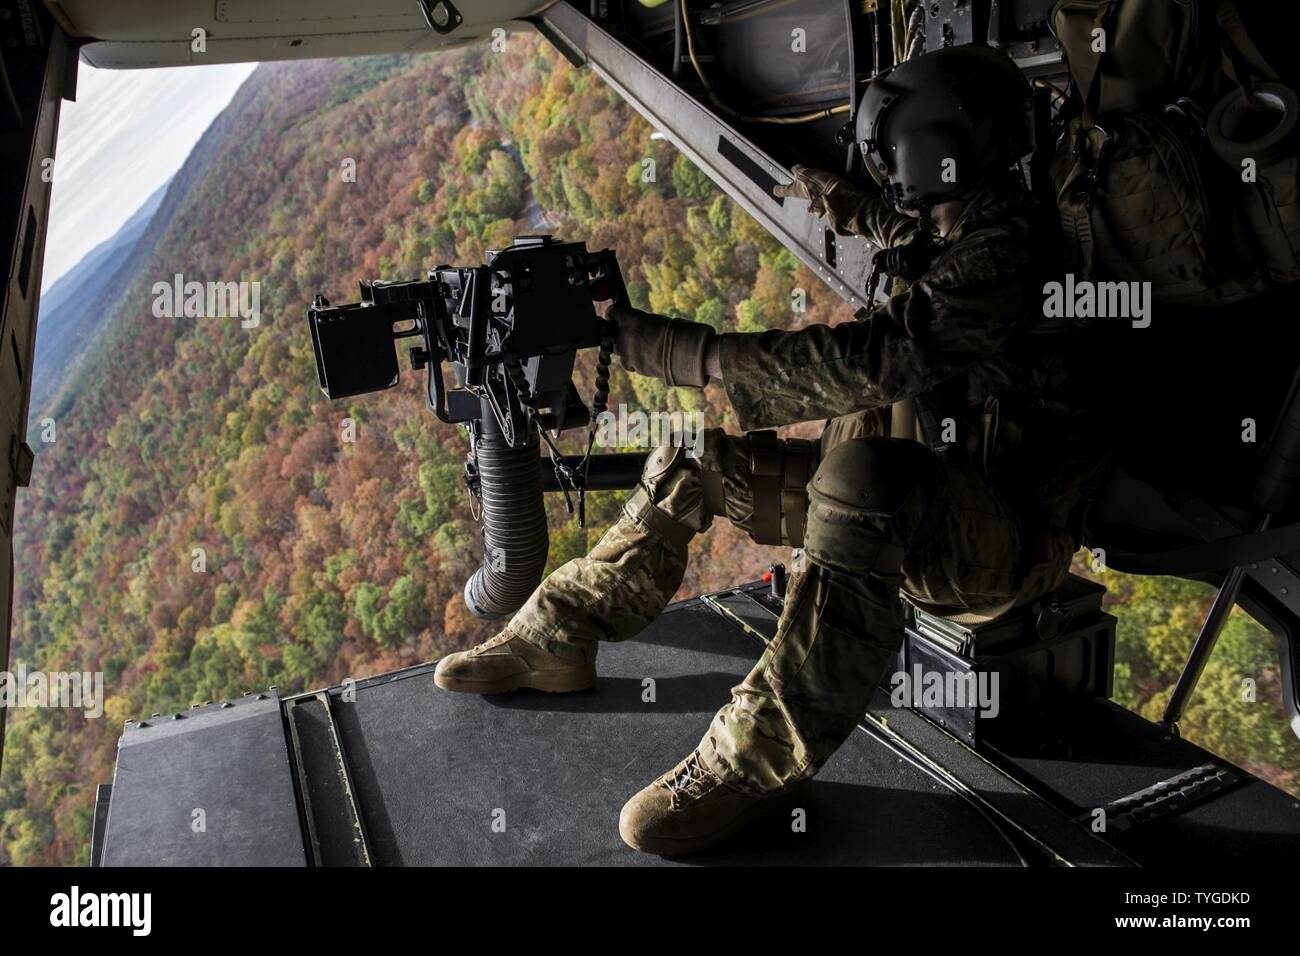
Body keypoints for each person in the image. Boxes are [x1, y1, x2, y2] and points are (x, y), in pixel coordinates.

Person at [433, 44, 1101, 855]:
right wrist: (839, 201)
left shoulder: (1008, 252)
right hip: (907, 511)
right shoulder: (963, 229)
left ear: (934, 145)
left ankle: (754, 761)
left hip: (996, 553)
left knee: (860, 470)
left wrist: (683, 352)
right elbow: (898, 235)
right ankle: (557, 636)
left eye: (894, 153)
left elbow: (886, 359)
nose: (891, 171)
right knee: (691, 458)